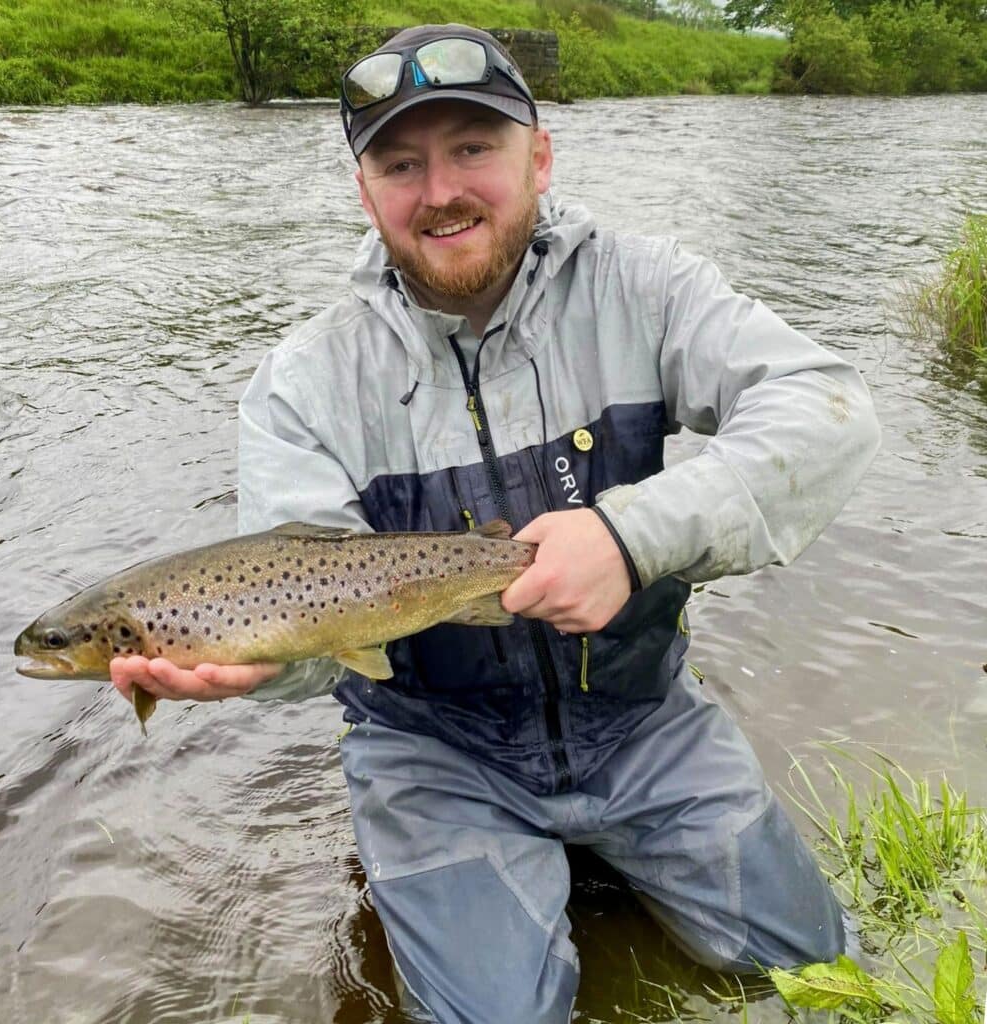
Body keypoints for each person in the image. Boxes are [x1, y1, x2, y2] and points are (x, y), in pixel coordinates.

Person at [110, 23, 880, 1024]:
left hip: (642, 721)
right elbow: (306, 615)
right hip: (435, 752)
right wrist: (261, 665)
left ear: (539, 154)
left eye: (473, 148)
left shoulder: (642, 287)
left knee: (835, 985)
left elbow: (830, 406)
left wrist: (628, 536)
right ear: (364, 188)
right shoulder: (304, 383)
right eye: (401, 163)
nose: (440, 192)